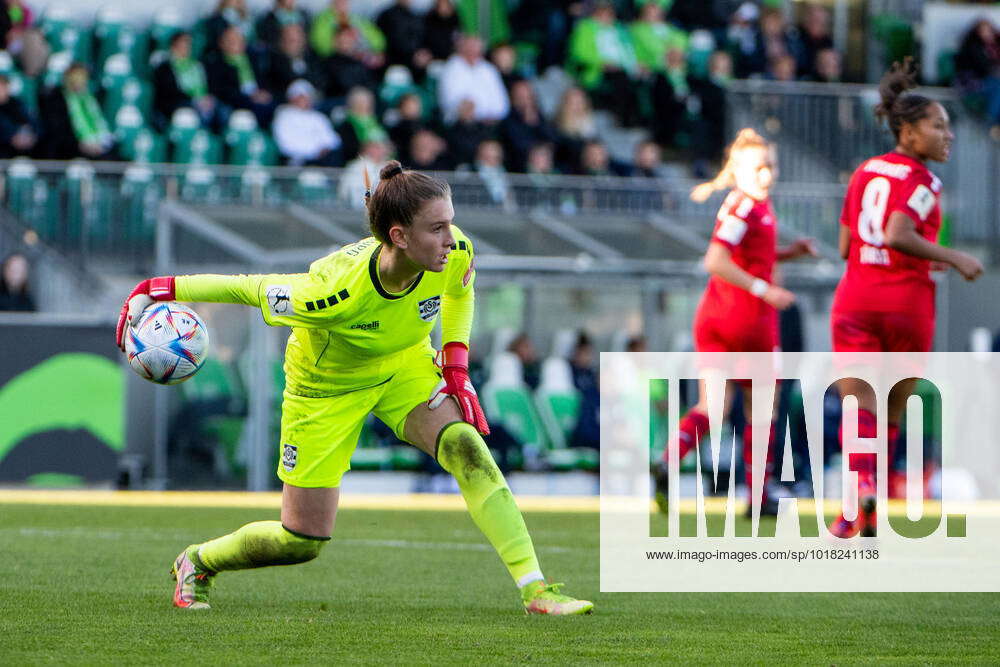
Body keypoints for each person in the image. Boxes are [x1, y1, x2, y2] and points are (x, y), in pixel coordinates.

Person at [114, 161, 593, 616]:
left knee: (466, 446)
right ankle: (197, 561)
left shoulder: (455, 251)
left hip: (402, 367)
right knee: (301, 539)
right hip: (325, 390)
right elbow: (250, 287)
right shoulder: (333, 294)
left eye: (451, 223)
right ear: (399, 237)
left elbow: (459, 293)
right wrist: (158, 287)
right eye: (438, 229)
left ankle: (535, 589)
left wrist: (455, 366)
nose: (452, 239)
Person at [827, 59, 983, 537]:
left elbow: (846, 246)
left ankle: (857, 505)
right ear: (909, 132)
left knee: (859, 406)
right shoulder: (923, 181)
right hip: (907, 305)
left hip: (856, 296)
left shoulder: (864, 171)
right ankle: (869, 498)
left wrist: (922, 255)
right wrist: (952, 256)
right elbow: (898, 233)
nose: (947, 135)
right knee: (891, 410)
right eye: (938, 126)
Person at [652, 128, 818, 516]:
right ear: (739, 170)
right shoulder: (746, 205)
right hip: (748, 321)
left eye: (771, 166)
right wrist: (764, 290)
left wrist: (788, 254)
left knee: (713, 409)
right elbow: (715, 260)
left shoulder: (749, 205)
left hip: (715, 318)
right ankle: (759, 496)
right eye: (760, 167)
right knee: (763, 408)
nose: (767, 174)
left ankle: (668, 458)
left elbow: (748, 257)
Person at [40, 63, 117, 160]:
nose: (79, 83)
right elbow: (57, 133)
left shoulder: (91, 99)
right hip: (68, 151)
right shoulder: (56, 101)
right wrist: (80, 145)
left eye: (82, 78)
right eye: (74, 78)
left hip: (98, 148)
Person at [152, 32, 219, 130]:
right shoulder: (165, 67)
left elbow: (211, 84)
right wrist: (195, 100)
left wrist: (208, 98)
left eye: (188, 44)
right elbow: (168, 92)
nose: (186, 46)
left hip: (204, 100)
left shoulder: (198, 65)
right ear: (173, 45)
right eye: (183, 43)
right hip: (180, 103)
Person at [272, 79, 341, 166]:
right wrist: (311, 152)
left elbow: (332, 140)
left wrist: (322, 150)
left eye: (306, 96)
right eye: (300, 96)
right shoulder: (284, 115)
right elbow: (284, 144)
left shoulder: (318, 117)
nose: (303, 100)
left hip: (321, 159)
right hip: (298, 160)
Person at [0, 73, 37, 157]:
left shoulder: (18, 104)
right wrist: (11, 136)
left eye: (3, 86)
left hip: (25, 149)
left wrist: (31, 135)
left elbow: (34, 124)